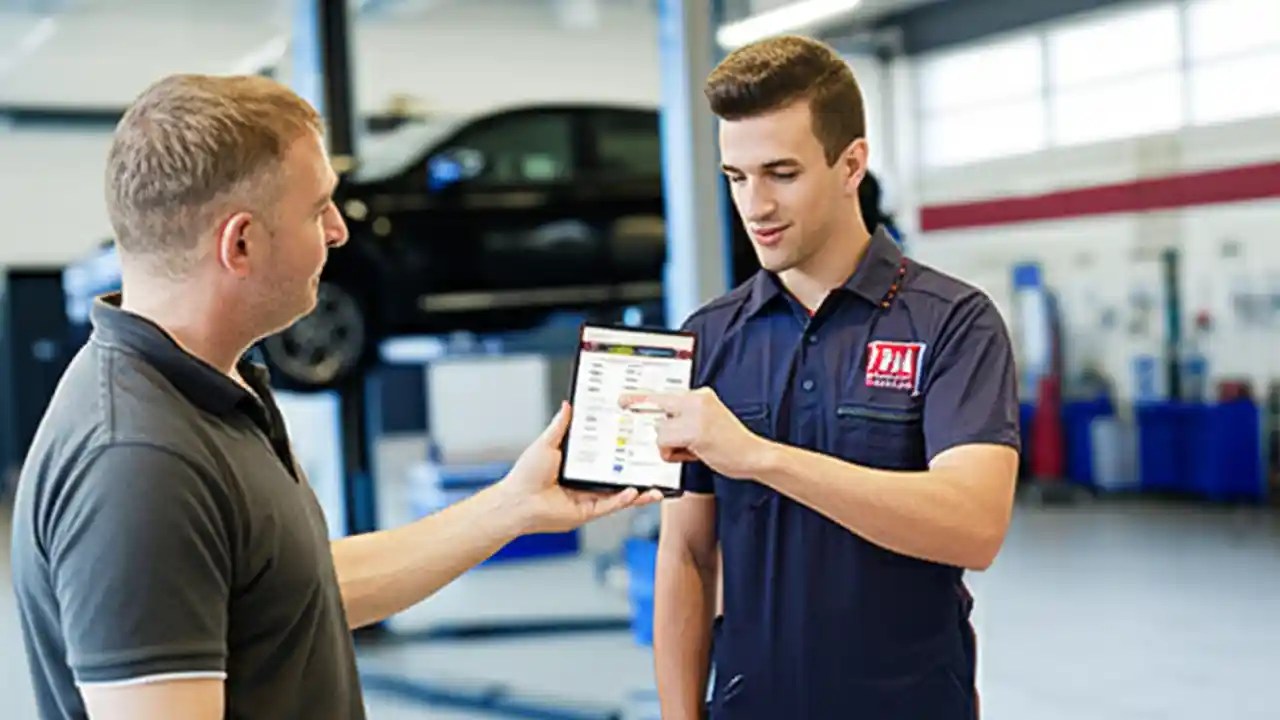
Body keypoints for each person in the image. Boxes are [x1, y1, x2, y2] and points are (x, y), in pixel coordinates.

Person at [9, 74, 661, 720]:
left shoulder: (208, 393)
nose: (338, 231)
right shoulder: (140, 463)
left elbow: (294, 593)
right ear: (240, 243)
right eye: (318, 208)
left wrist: (510, 508)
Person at [621, 35, 1020, 719]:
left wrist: (762, 459)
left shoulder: (953, 323)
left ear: (850, 164)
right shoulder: (709, 336)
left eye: (781, 173)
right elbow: (686, 555)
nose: (755, 206)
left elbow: (973, 526)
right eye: (736, 177)